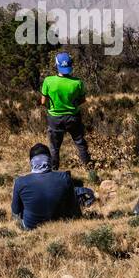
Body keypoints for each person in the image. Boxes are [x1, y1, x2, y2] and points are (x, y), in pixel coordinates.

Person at [40, 51, 97, 182]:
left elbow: (43, 102)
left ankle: (53, 172)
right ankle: (90, 170)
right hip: (73, 117)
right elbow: (82, 99)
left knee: (54, 147)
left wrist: (51, 108)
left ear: (56, 64)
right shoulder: (77, 83)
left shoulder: (48, 81)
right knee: (80, 143)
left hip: (55, 118)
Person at [11, 143, 94, 231]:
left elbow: (15, 211)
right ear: (49, 160)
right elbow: (72, 205)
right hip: (61, 225)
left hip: (31, 228)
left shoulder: (20, 182)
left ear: (31, 162)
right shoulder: (65, 177)